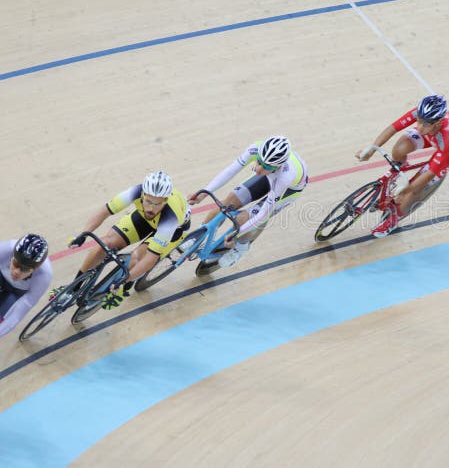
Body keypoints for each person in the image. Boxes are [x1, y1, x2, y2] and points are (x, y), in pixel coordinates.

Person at [64, 171, 190, 310]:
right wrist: (83, 234)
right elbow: (104, 211)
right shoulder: (135, 191)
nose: (151, 208)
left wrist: (124, 281)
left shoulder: (170, 218)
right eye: (148, 201)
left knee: (135, 258)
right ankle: (74, 288)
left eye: (157, 204)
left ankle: (126, 286)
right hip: (144, 219)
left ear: (165, 201)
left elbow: (150, 258)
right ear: (142, 194)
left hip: (173, 231)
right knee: (105, 243)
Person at [355, 94, 449, 238]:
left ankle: (394, 219)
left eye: (425, 124)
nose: (420, 127)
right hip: (432, 135)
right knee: (399, 149)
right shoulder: (421, 114)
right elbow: (393, 128)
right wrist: (370, 150)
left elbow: (430, 173)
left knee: (416, 188)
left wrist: (406, 190)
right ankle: (400, 169)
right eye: (419, 121)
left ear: (438, 122)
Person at [186, 135, 308, 268]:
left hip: (288, 190)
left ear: (278, 166)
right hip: (269, 177)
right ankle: (198, 236)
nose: (259, 169)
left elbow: (262, 215)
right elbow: (230, 171)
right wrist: (203, 193)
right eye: (259, 161)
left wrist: (236, 233)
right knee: (227, 203)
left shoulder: (285, 177)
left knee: (242, 219)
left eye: (266, 166)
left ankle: (241, 248)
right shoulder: (256, 148)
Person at [0, 234, 52, 338]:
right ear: (12, 255)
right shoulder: (5, 249)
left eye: (24, 269)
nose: (16, 272)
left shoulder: (44, 276)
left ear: (36, 268)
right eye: (15, 264)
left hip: (16, 292)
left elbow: (18, 313)